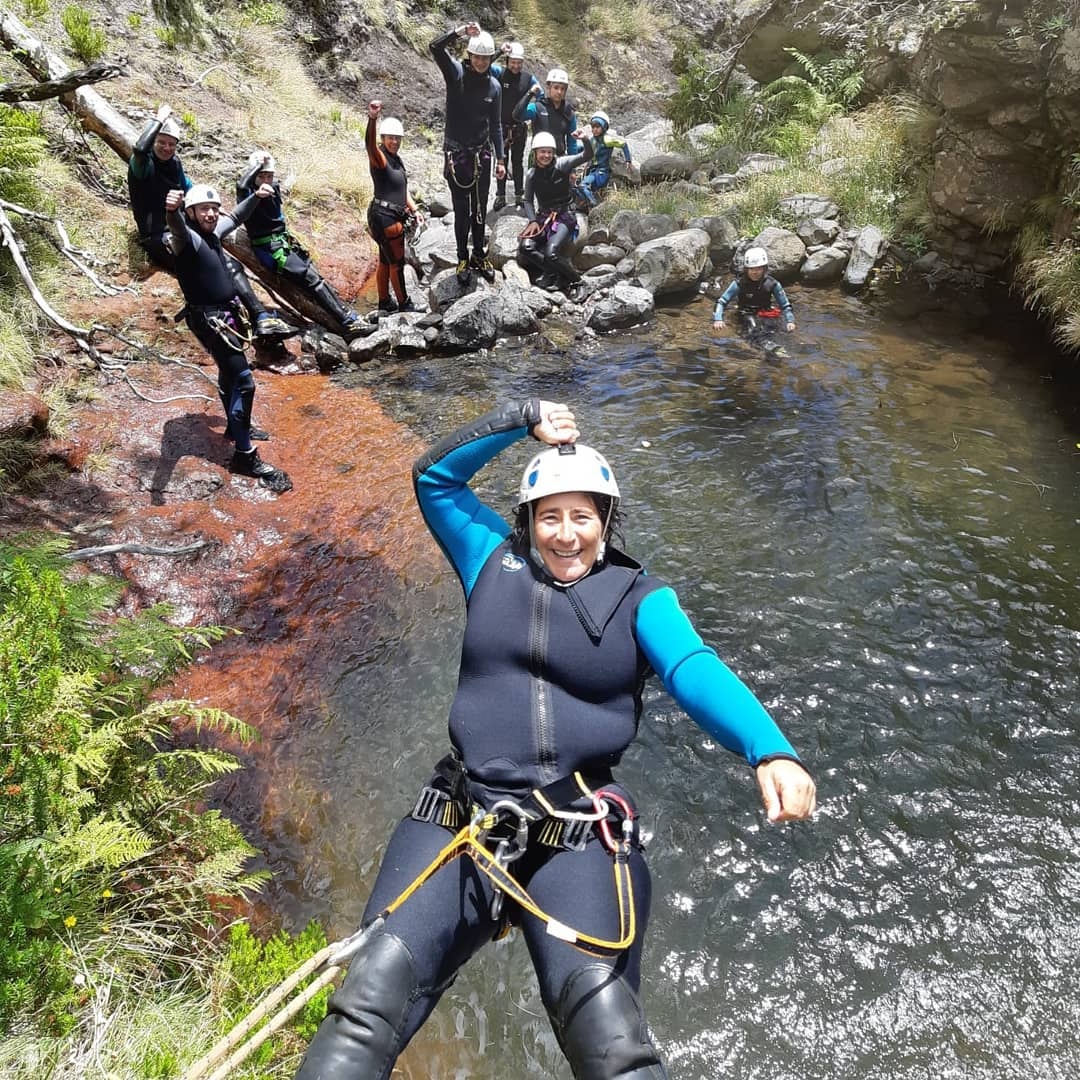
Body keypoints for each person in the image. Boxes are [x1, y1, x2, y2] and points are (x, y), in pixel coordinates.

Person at [292, 397, 816, 1080]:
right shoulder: (487, 559)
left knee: (610, 1038)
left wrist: (768, 746)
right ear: (528, 521)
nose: (566, 535)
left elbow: (692, 667)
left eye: (582, 517)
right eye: (550, 517)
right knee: (367, 1003)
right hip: (462, 815)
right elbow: (434, 478)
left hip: (577, 828)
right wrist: (520, 417)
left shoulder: (641, 596)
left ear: (606, 521)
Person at [165, 183, 291, 492]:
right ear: (190, 213)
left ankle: (237, 430)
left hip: (224, 314)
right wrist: (172, 211)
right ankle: (244, 455)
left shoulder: (212, 232)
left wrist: (256, 197)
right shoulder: (189, 238)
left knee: (228, 373)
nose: (209, 213)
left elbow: (235, 217)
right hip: (211, 320)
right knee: (245, 382)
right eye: (202, 209)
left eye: (212, 208)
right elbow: (177, 229)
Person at [128, 104, 292, 339]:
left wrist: (211, 207)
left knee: (231, 265)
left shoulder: (174, 164)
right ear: (154, 141)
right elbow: (139, 150)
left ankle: (262, 319)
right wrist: (157, 120)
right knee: (214, 267)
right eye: (161, 142)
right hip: (159, 236)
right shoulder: (142, 167)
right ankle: (253, 319)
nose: (166, 147)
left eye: (171, 144)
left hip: (186, 229)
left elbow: (188, 187)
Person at [236, 150, 364, 332]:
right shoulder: (248, 193)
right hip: (269, 249)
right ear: (253, 175)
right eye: (261, 176)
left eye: (269, 175)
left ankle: (345, 312)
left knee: (315, 274)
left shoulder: (274, 188)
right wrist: (257, 167)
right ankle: (346, 321)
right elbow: (242, 185)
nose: (266, 180)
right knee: (311, 278)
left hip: (283, 242)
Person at [429, 22, 505, 285]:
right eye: (477, 56)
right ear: (470, 56)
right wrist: (459, 32)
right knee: (462, 210)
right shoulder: (456, 74)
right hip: (457, 154)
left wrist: (501, 159)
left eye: (486, 57)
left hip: (482, 155)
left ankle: (478, 255)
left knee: (480, 209)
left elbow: (495, 125)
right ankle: (462, 256)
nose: (482, 61)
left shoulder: (494, 87)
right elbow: (435, 47)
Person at [362, 101, 423, 315]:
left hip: (385, 214)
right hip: (385, 217)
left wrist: (414, 210)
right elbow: (368, 145)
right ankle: (405, 304)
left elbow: (401, 188)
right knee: (397, 262)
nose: (394, 142)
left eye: (397, 139)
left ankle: (384, 301)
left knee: (385, 260)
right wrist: (372, 119)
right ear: (383, 139)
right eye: (391, 138)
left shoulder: (396, 160)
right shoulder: (379, 158)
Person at [518, 131, 593, 292]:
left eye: (549, 152)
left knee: (551, 252)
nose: (546, 155)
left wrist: (585, 139)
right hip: (544, 217)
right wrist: (532, 221)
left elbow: (587, 155)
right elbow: (527, 200)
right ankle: (553, 272)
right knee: (526, 247)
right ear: (535, 153)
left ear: (553, 153)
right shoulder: (532, 174)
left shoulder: (563, 164)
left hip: (565, 215)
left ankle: (579, 283)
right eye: (542, 152)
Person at [491, 41, 539, 210]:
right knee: (500, 160)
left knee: (517, 162)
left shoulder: (528, 79)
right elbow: (483, 65)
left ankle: (519, 195)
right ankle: (501, 195)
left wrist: (535, 115)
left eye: (519, 63)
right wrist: (499, 51)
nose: (516, 66)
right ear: (508, 61)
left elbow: (540, 97)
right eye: (513, 62)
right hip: (500, 127)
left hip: (519, 128)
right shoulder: (500, 73)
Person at [712, 246, 796, 334]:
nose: (755, 272)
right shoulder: (739, 283)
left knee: (771, 330)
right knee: (752, 327)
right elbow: (721, 302)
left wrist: (790, 321)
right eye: (751, 269)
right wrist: (718, 319)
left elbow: (785, 306)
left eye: (758, 269)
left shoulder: (772, 284)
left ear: (764, 269)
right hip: (745, 312)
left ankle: (772, 345)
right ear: (746, 269)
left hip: (765, 312)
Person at [513, 67, 580, 156]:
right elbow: (517, 115)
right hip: (537, 158)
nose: (559, 92)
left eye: (562, 89)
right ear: (548, 87)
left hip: (558, 159)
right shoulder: (538, 107)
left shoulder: (569, 112)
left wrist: (572, 165)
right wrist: (530, 94)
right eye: (556, 88)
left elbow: (572, 143)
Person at [575, 110, 631, 208]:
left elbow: (623, 144)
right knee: (575, 187)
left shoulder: (607, 139)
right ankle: (586, 205)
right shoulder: (592, 140)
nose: (594, 130)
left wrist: (628, 160)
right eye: (593, 127)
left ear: (604, 127)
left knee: (583, 186)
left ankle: (594, 205)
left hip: (601, 173)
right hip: (592, 171)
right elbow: (582, 148)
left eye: (598, 127)